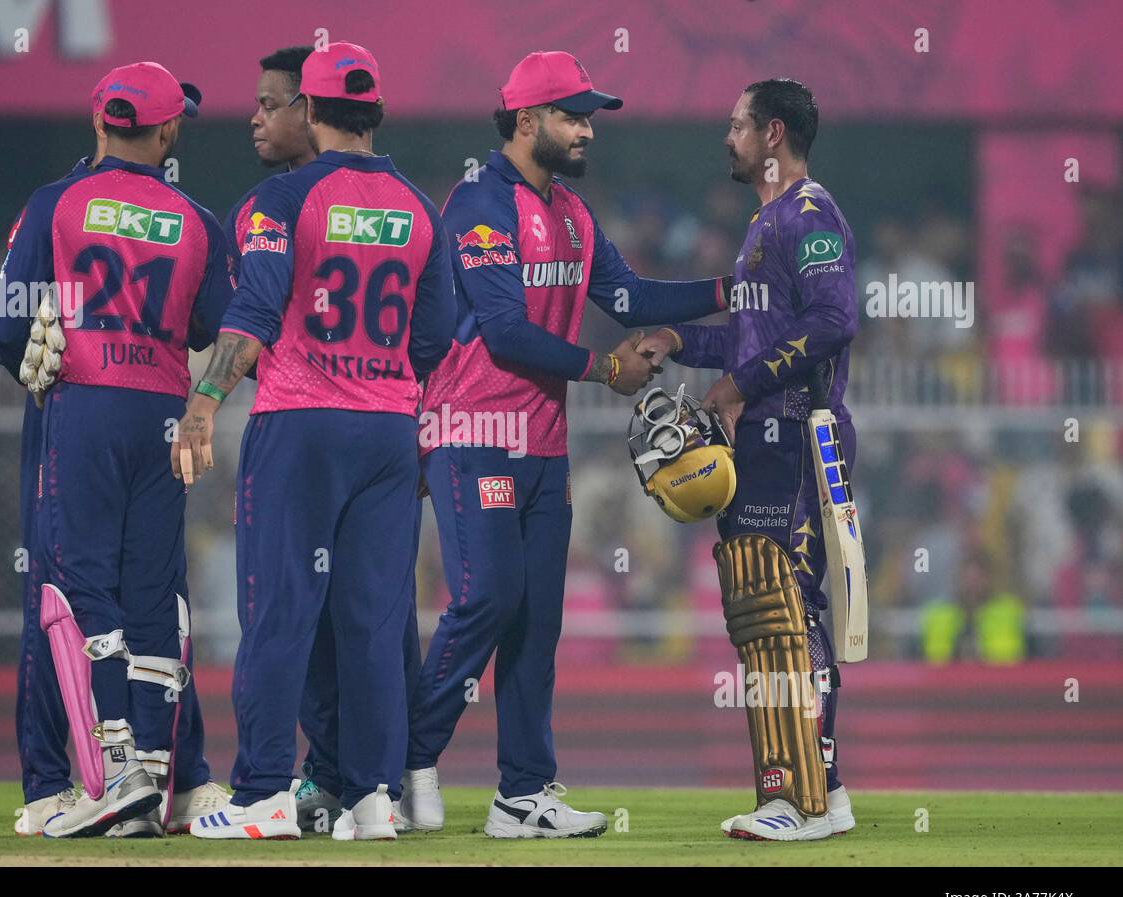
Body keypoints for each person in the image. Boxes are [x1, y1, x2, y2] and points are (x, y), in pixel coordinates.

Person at [400, 51, 731, 838]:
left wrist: (736, 285)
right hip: (473, 429)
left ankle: (523, 794)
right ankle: (400, 761)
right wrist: (602, 366)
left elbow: (631, 296)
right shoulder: (477, 202)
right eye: (572, 116)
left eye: (588, 118)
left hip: (542, 442)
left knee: (535, 620)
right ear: (525, 121)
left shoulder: (574, 214)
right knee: (487, 598)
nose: (586, 131)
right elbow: (507, 331)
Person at [175, 42, 454, 842]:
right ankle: (372, 799)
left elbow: (255, 314)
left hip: (300, 425)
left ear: (310, 109)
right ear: (376, 111)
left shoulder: (277, 201)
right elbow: (433, 337)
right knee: (374, 620)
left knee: (279, 613)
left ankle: (263, 791)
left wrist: (203, 403)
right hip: (390, 431)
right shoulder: (420, 208)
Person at [0, 61, 233, 838]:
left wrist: (29, 362)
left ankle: (112, 770)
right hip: (162, 411)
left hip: (81, 405)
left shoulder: (55, 203)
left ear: (99, 124)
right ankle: (159, 785)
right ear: (166, 132)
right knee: (156, 591)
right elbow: (211, 327)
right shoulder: (196, 217)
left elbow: (7, 326)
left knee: (77, 587)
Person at [659, 78, 859, 840]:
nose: (726, 136)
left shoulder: (808, 213)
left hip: (798, 436)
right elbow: (752, 343)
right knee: (760, 613)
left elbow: (835, 318)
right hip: (764, 439)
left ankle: (798, 799)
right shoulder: (763, 224)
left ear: (772, 134)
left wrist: (739, 385)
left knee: (790, 614)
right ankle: (822, 793)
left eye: (736, 124)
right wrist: (680, 342)